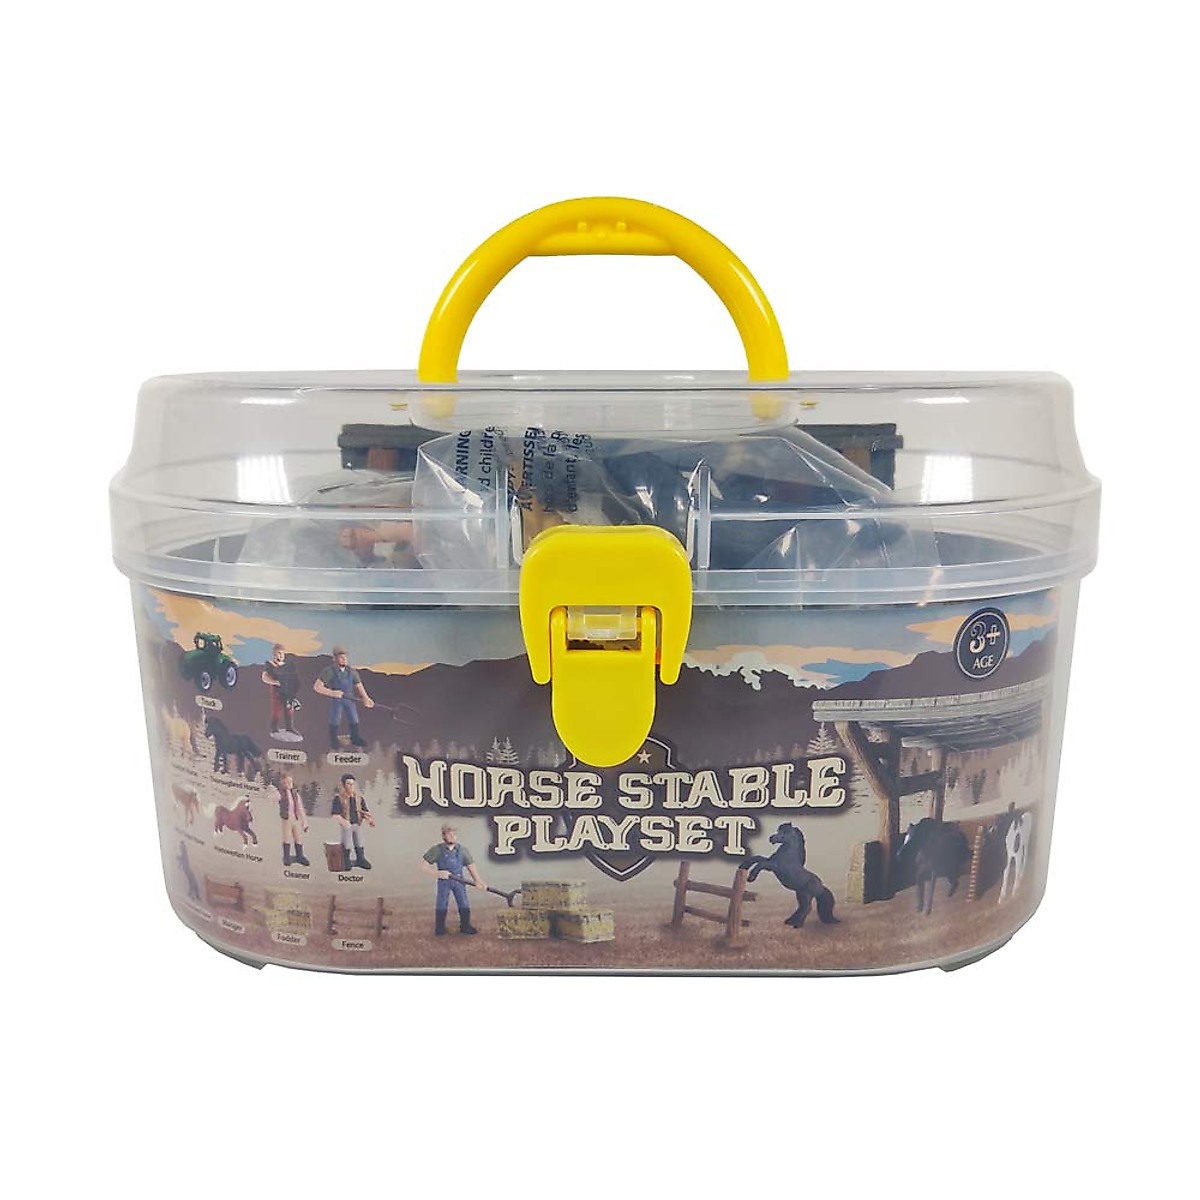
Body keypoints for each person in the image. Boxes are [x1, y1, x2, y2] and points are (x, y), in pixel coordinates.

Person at [420, 824, 483, 936]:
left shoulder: (462, 850)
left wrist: (477, 880)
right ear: (443, 836)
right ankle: (440, 928)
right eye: (449, 834)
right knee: (442, 903)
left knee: (463, 902)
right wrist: (438, 873)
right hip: (444, 882)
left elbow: (471, 865)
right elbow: (423, 867)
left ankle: (465, 926)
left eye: (454, 834)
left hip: (459, 881)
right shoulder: (437, 850)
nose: (453, 836)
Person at [313, 645, 375, 750]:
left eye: (345, 657)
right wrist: (332, 693)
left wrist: (366, 698)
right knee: (335, 718)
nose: (344, 659)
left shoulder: (352, 671)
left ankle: (355, 737)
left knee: (353, 717)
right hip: (337, 699)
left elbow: (359, 685)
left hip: (349, 699)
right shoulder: (329, 671)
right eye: (341, 657)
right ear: (335, 658)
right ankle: (333, 740)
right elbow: (317, 687)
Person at [331, 773, 374, 871]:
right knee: (346, 842)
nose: (351, 786)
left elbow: (364, 811)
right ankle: (345, 860)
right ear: (343, 785)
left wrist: (369, 819)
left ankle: (360, 859)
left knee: (359, 841)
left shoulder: (359, 798)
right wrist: (343, 822)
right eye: (348, 784)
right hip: (346, 824)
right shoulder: (339, 798)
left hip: (357, 824)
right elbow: (335, 814)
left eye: (352, 784)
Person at [262, 644, 302, 742]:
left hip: (288, 691)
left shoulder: (287, 665)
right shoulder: (270, 665)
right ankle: (274, 728)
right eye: (279, 653)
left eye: (283, 653)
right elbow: (264, 677)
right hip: (277, 691)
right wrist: (276, 682)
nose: (281, 655)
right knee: (277, 709)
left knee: (289, 708)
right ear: (274, 654)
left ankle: (290, 727)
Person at [276, 772, 309, 867]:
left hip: (295, 818)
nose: (288, 784)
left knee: (298, 836)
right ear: (283, 783)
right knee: (287, 837)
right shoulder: (281, 793)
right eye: (286, 782)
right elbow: (274, 798)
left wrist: (304, 821)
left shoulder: (295, 794)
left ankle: (300, 856)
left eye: (290, 782)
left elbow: (300, 808)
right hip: (287, 818)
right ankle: (286, 856)